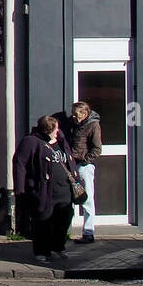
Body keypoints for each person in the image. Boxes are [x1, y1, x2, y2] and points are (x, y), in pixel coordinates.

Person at [12, 114, 77, 262]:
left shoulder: (60, 139)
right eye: (55, 129)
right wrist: (20, 188)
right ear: (47, 129)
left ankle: (58, 246)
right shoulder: (31, 141)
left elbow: (69, 159)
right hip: (44, 190)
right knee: (43, 220)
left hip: (64, 190)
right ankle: (42, 250)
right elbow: (19, 163)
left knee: (65, 217)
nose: (57, 131)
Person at [63, 101, 101, 244]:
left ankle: (88, 232)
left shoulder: (93, 125)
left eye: (76, 115)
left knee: (87, 199)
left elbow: (97, 149)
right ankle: (66, 231)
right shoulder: (74, 124)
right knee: (69, 198)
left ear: (84, 114)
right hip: (72, 164)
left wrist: (85, 161)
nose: (73, 117)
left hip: (84, 166)